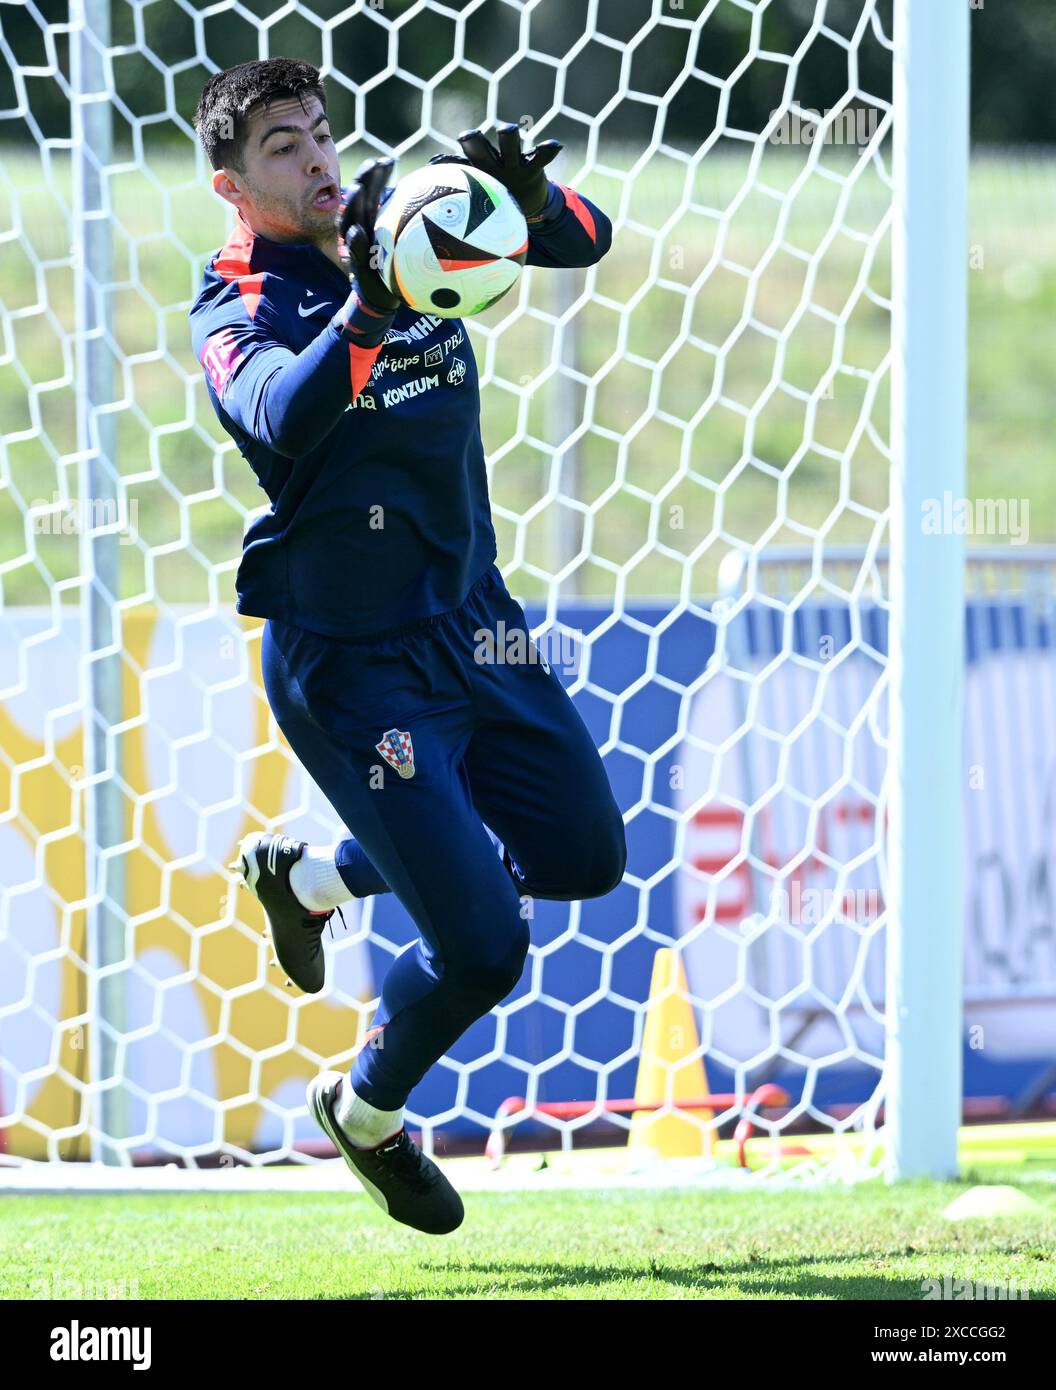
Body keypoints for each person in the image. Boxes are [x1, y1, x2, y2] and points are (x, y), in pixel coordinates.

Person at [190, 57, 625, 1234]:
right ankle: (366, 1113)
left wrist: (522, 199)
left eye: (322, 132)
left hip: (476, 623)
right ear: (233, 185)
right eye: (285, 147)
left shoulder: (400, 217)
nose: (321, 158)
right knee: (485, 950)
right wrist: (373, 303)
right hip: (351, 663)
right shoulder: (234, 301)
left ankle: (314, 876)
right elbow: (283, 414)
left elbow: (583, 240)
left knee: (585, 857)